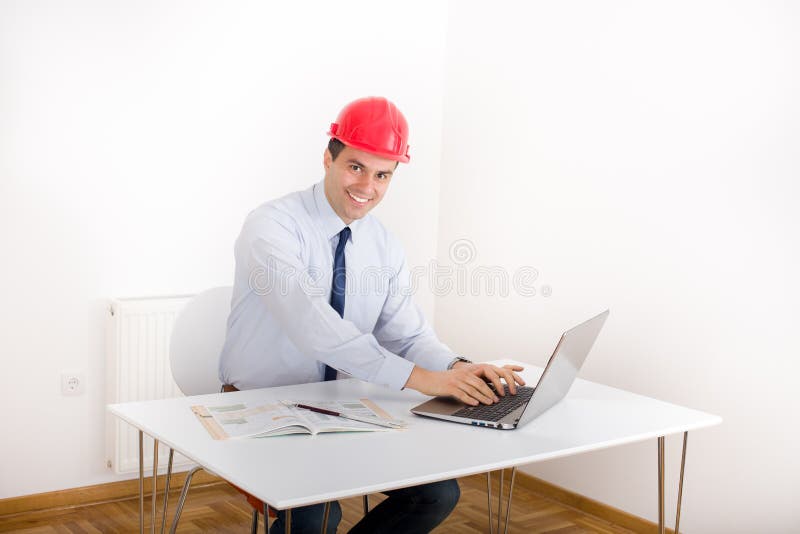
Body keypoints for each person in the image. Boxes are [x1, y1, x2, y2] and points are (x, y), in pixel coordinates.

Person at [219, 96, 525, 533]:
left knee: (437, 494)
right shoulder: (271, 226)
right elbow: (314, 327)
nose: (367, 185)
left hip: (338, 406)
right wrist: (429, 381)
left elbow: (406, 334)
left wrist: (461, 368)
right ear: (328, 157)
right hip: (259, 405)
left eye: (382, 174)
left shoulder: (383, 244)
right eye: (356, 167)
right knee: (317, 513)